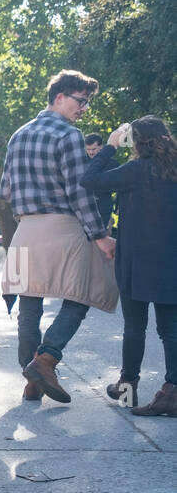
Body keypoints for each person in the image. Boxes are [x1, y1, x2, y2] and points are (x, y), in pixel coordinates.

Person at [0, 70, 117, 404]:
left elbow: (5, 189)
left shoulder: (18, 135)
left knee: (29, 302)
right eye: (82, 101)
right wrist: (100, 236)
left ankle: (31, 376)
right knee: (82, 295)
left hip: (26, 230)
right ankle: (46, 358)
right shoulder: (69, 135)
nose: (84, 109)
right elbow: (81, 193)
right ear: (60, 96)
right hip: (63, 228)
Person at [81, 116, 177, 416]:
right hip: (171, 260)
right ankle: (172, 392)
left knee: (135, 327)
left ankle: (127, 390)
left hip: (136, 260)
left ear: (136, 142)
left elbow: (89, 180)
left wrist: (109, 147)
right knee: (170, 330)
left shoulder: (136, 170)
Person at [84, 132, 119, 228]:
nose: (91, 152)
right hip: (85, 208)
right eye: (88, 149)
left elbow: (121, 187)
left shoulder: (113, 164)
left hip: (104, 207)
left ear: (101, 147)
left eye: (94, 149)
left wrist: (118, 204)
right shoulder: (81, 163)